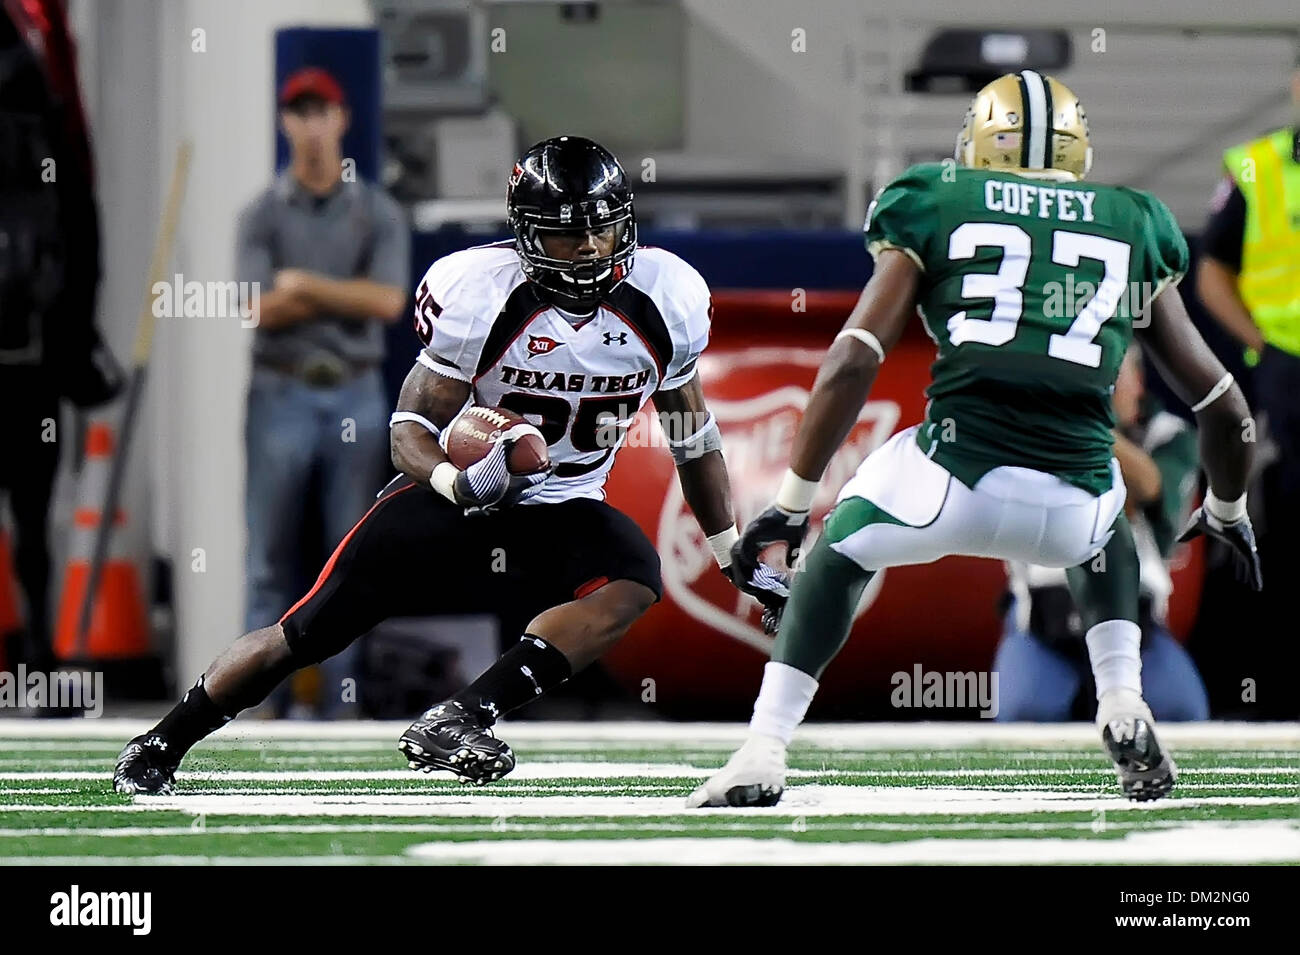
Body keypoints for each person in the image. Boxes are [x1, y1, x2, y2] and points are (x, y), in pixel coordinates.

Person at [113, 136, 785, 794]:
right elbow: (410, 429)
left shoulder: (665, 298)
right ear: (525, 233)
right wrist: (455, 480)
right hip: (457, 497)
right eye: (565, 233)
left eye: (602, 230)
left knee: (633, 575)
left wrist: (732, 552)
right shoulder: (479, 294)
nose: (588, 247)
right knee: (304, 632)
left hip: (562, 503)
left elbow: (690, 435)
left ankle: (461, 716)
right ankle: (161, 741)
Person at [691, 71, 1262, 808]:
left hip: (950, 479)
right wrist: (1227, 505)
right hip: (1072, 503)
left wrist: (792, 502)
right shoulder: (1132, 219)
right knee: (1108, 528)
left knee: (836, 552)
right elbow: (1222, 402)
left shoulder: (936, 197)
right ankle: (1123, 700)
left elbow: (853, 358)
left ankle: (764, 747)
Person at [235, 67, 409, 716]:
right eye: (298, 114)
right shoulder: (260, 213)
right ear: (285, 123)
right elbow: (255, 306)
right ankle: (254, 708)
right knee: (267, 560)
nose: (311, 127)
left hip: (356, 394)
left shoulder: (377, 211)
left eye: (321, 113)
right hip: (280, 391)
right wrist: (340, 295)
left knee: (349, 559)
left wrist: (303, 284)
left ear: (341, 120)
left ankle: (342, 712)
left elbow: (388, 300)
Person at [0, 0, 122, 677]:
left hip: (37, 340)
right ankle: (38, 645)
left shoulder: (40, 36)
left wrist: (75, 329)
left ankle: (39, 646)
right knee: (32, 505)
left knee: (33, 505)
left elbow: (79, 220)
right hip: (40, 343)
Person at [995, 347, 1208, 722]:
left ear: (1138, 381)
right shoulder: (1027, 425)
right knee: (1023, 711)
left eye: (1111, 377)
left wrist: (1081, 424)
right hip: (1044, 617)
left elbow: (1151, 488)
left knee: (1182, 711)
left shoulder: (1169, 435)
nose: (1100, 389)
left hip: (1138, 621)